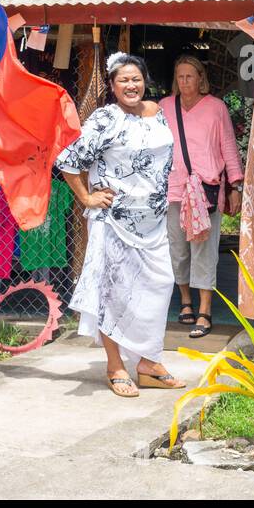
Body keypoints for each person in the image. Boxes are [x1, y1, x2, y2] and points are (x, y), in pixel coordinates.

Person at [56, 52, 187, 398]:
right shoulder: (104, 119)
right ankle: (116, 366)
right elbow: (68, 160)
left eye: (136, 79)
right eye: (123, 80)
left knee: (160, 284)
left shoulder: (157, 112)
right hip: (113, 220)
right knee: (113, 291)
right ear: (113, 87)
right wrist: (86, 197)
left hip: (154, 220)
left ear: (145, 81)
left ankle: (148, 363)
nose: (131, 85)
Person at [160, 54, 243, 338]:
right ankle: (185, 302)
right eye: (180, 77)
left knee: (204, 251)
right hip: (174, 190)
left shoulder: (216, 108)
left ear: (200, 78)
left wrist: (235, 186)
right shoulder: (164, 107)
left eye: (190, 76)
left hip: (206, 190)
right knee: (178, 250)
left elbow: (228, 147)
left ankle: (205, 310)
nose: (185, 82)